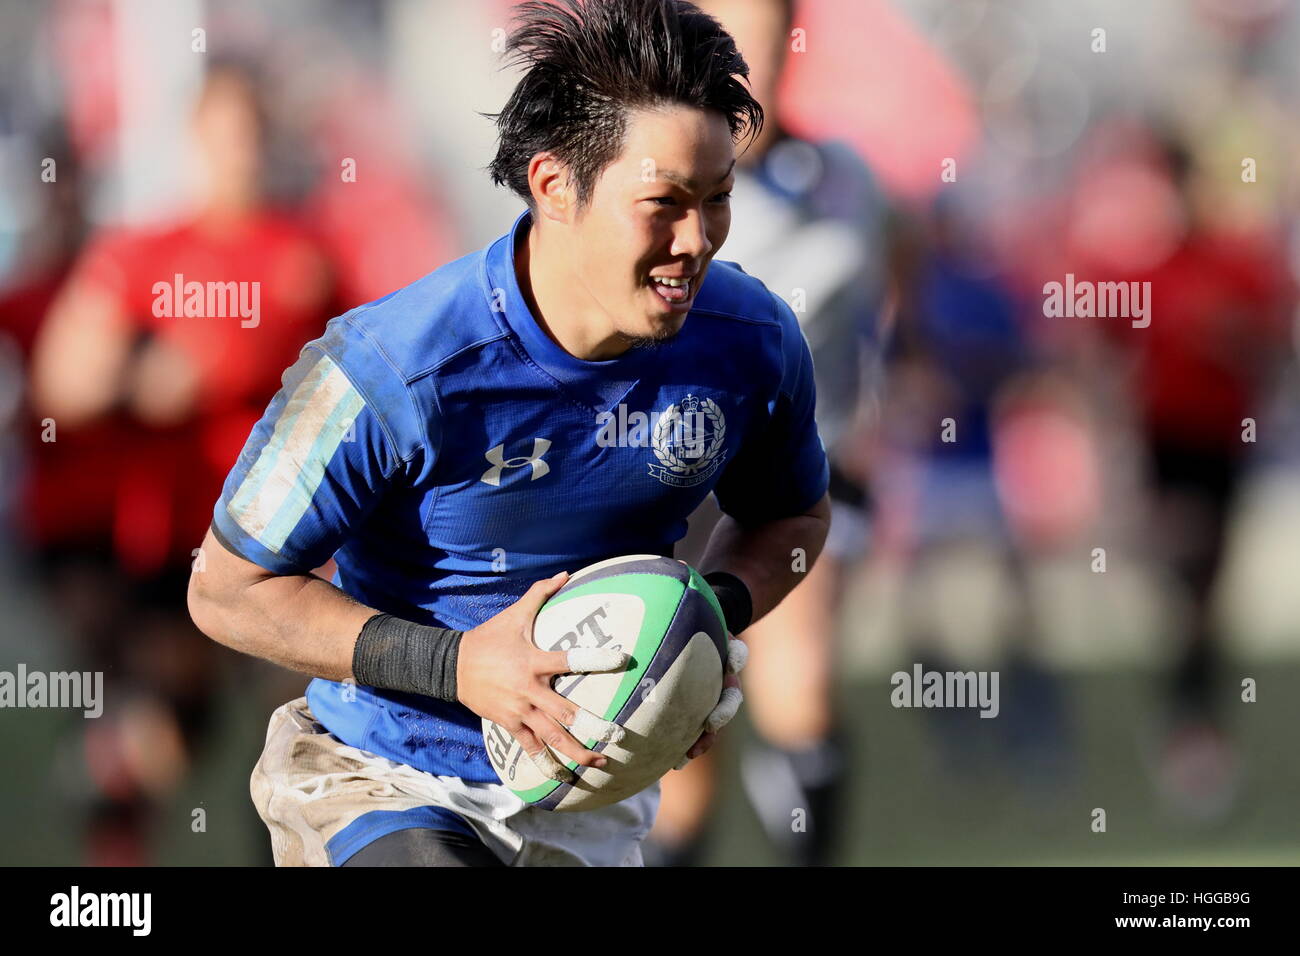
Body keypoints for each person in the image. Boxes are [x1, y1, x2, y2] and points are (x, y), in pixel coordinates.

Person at [187, 0, 831, 867]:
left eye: (717, 200)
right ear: (554, 185)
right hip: (383, 775)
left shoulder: (752, 342)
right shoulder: (391, 367)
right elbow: (225, 590)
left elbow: (793, 517)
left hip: (587, 795)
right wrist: (457, 667)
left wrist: (703, 629)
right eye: (664, 203)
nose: (697, 241)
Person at [28, 62, 334, 864]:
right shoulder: (144, 254)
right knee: (165, 738)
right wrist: (139, 377)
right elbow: (62, 376)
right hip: (180, 547)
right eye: (226, 133)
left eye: (254, 133)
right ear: (196, 140)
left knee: (303, 737)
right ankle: (109, 874)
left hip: (296, 545)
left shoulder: (309, 255)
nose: (242, 152)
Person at [651, 0, 888, 867]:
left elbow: (895, 285)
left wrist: (878, 410)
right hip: (678, 485)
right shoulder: (652, 179)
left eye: (768, 30)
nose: (753, 57)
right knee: (675, 732)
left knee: (801, 692)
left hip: (802, 480)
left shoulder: (846, 179)